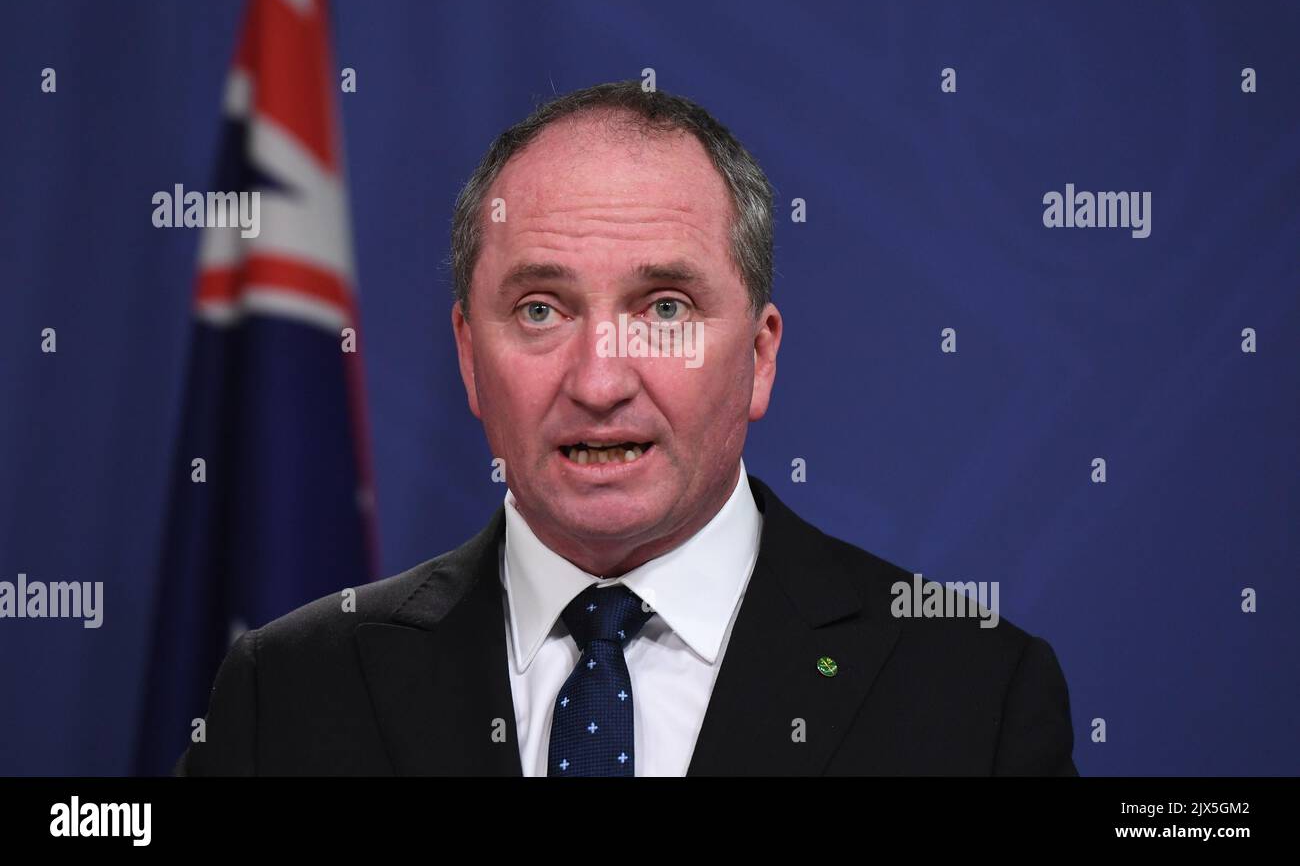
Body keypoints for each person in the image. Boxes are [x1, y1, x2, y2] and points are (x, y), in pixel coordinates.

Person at [176, 80, 1077, 776]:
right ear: (467, 359)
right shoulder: (287, 693)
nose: (599, 379)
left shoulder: (972, 693)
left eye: (666, 307)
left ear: (760, 358)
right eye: (539, 309)